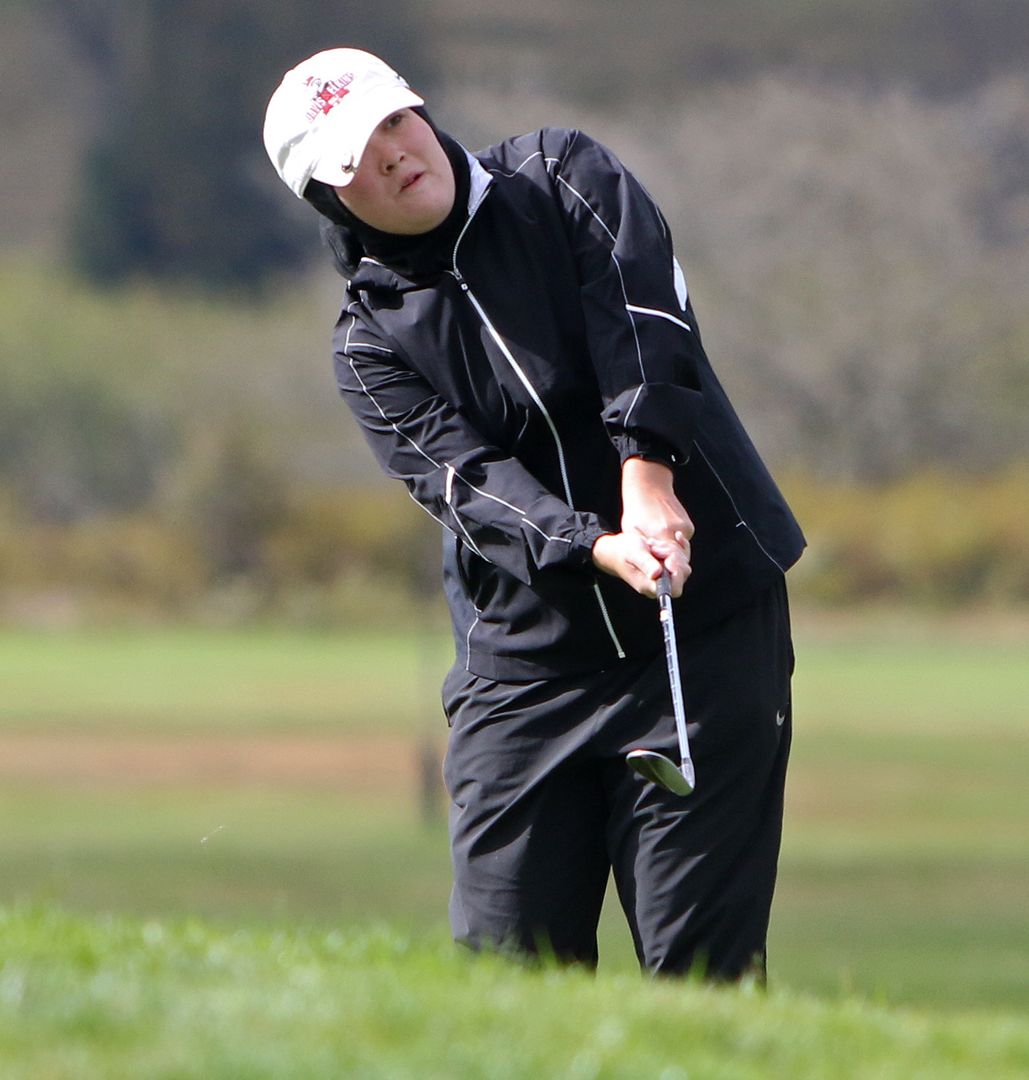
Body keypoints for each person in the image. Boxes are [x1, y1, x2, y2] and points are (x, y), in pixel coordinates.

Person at [262, 48, 805, 982]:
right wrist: (592, 543)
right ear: (329, 196)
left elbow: (643, 318)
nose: (393, 154)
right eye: (358, 157)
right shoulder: (368, 345)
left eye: (396, 121)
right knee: (509, 977)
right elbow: (469, 487)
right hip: (525, 673)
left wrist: (648, 473)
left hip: (697, 638)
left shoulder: (558, 176)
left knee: (702, 976)